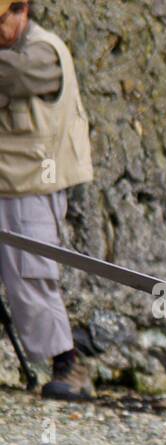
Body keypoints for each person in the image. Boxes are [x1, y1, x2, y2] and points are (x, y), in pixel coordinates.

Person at [0, 0, 93, 399]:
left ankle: (69, 367)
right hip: (8, 182)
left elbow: (12, 76)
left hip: (32, 188)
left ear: (22, 11)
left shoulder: (42, 53)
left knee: (32, 278)